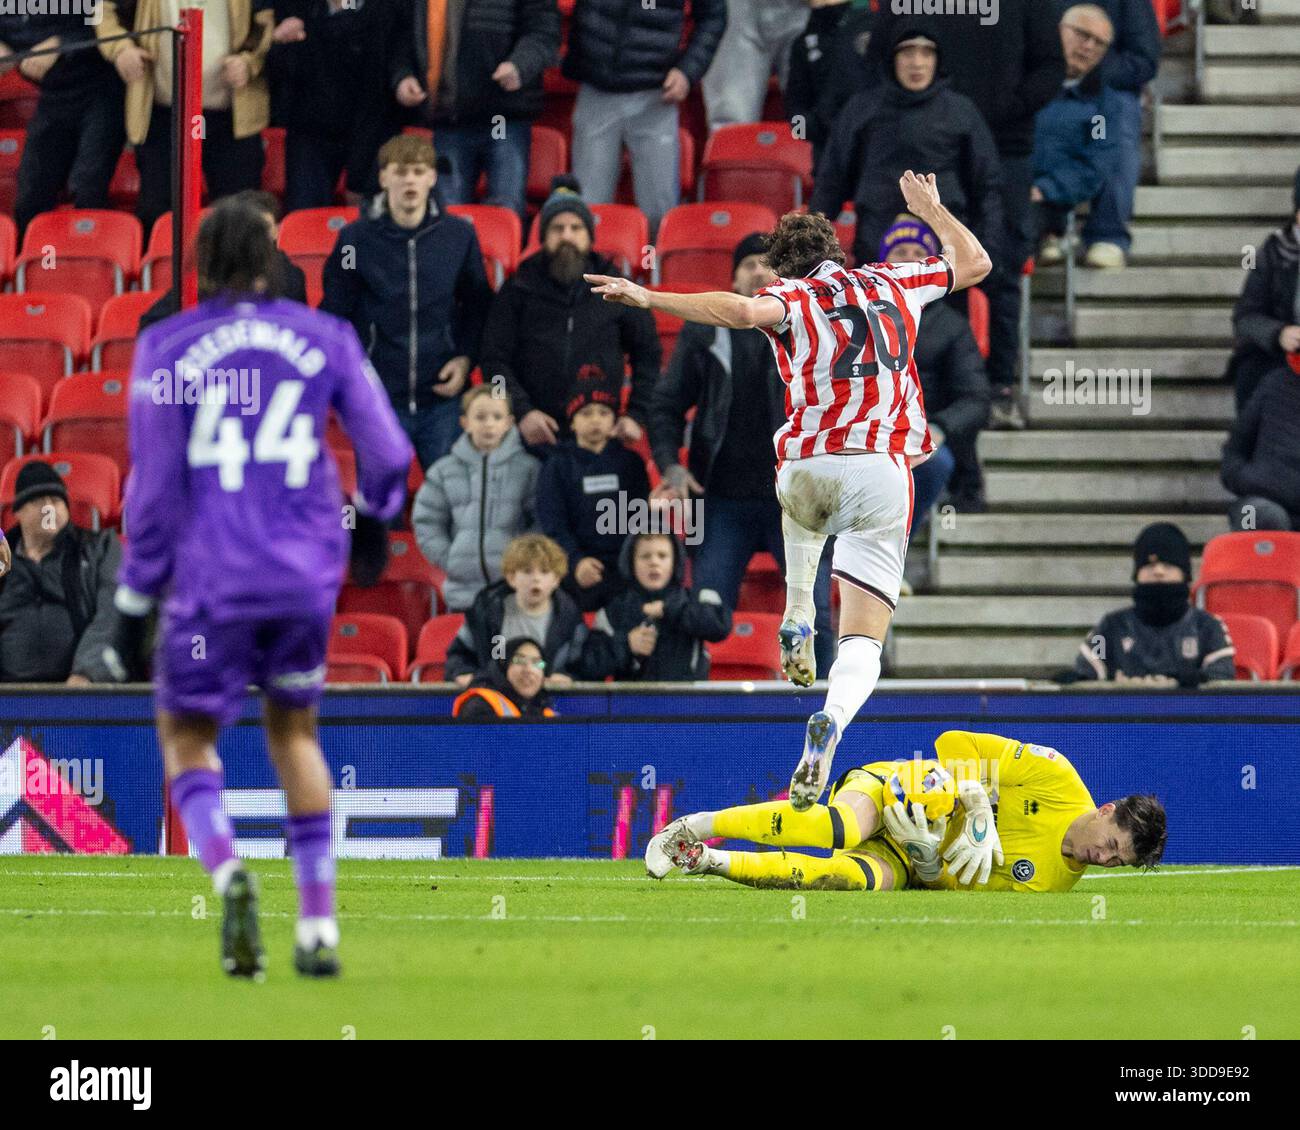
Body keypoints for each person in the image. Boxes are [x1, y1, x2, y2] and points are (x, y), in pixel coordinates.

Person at [588, 170, 993, 809]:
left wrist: (647, 296)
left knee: (800, 497)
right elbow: (975, 263)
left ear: (781, 270)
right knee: (863, 641)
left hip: (806, 462)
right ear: (836, 253)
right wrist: (934, 210)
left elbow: (738, 310)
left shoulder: (791, 300)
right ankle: (832, 712)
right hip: (881, 467)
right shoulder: (894, 281)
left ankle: (798, 608)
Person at [102, 198, 415, 979]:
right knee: (295, 735)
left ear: (201, 264)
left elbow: (154, 488)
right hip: (304, 574)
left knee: (188, 738)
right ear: (274, 259)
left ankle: (228, 873)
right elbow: (388, 450)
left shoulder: (167, 347)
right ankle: (317, 929)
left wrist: (134, 599)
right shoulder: (325, 337)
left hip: (211, 578)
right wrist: (374, 513)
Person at [861, 0, 1064, 430]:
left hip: (1004, 145)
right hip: (921, 128)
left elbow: (1050, 67)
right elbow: (880, 49)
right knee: (900, 283)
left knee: (998, 270)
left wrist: (996, 111)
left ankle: (997, 389)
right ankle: (894, 398)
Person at [646, 729, 1168, 891]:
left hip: (912, 854)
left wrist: (926, 866)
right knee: (841, 825)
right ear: (1106, 811)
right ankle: (692, 826)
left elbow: (955, 892)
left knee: (850, 882)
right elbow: (954, 743)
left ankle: (706, 862)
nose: (1104, 859)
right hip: (901, 793)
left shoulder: (1052, 884)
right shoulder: (1055, 775)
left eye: (1116, 863)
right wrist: (977, 805)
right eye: (1113, 845)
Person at [650, 232, 835, 673]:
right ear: (733, 278)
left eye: (766, 263)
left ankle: (828, 706)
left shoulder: (809, 325)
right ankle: (690, 702)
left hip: (794, 503)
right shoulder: (707, 329)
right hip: (722, 502)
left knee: (817, 615)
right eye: (748, 263)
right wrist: (671, 466)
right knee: (704, 611)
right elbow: (666, 404)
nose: (757, 271)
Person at [320, 133, 493, 470]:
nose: (409, 180)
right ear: (384, 177)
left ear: (431, 177)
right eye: (400, 171)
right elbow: (336, 312)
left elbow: (478, 305)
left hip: (443, 395)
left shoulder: (458, 235)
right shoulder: (355, 240)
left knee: (451, 506)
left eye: (418, 171)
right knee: (380, 512)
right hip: (379, 397)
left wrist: (466, 359)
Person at [479, 177, 660, 453]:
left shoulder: (616, 287)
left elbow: (648, 353)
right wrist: (522, 412)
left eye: (576, 228)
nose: (566, 236)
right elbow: (494, 359)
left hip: (600, 436)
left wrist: (636, 414)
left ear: (589, 237)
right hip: (533, 437)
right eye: (557, 228)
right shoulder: (518, 288)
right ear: (543, 237)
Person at [808, 24, 1002, 271]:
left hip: (948, 250)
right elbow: (832, 179)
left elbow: (987, 185)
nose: (917, 63)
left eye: (926, 53)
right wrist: (812, 243)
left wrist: (989, 247)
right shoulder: (862, 109)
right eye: (907, 52)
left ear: (937, 59)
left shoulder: (961, 111)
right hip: (875, 246)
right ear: (893, 58)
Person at [95, 0, 273, 236]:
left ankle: (235, 273)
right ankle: (160, 272)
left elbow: (265, 24)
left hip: (231, 117)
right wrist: (120, 48)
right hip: (162, 115)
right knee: (158, 216)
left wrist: (248, 62)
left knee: (241, 219)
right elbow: (102, 10)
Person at [563, 0, 727, 234]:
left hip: (656, 96)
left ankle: (658, 271)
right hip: (596, 88)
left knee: (660, 214)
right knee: (588, 213)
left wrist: (687, 71)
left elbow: (714, 16)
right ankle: (592, 270)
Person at [391, 0, 560, 219]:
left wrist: (520, 64)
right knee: (447, 216)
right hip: (449, 118)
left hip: (503, 117)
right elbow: (401, 36)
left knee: (504, 212)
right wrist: (402, 76)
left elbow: (544, 30)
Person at [879, 216, 990, 517]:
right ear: (882, 261)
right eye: (900, 252)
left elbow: (976, 399)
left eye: (919, 254)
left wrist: (938, 427)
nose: (909, 261)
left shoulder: (952, 326)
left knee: (935, 463)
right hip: (868, 436)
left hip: (922, 439)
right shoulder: (860, 315)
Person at [267, 0, 410, 211]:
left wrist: (360, 175)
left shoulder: (387, 10)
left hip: (371, 130)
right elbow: (278, 78)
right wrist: (278, 43)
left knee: (370, 220)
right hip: (311, 135)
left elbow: (397, 66)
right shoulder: (297, 10)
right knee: (303, 219)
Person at [412, 385, 540, 612]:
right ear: (465, 423)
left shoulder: (529, 469)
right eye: (480, 417)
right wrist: (450, 558)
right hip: (461, 596)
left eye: (497, 417)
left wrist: (522, 561)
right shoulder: (443, 471)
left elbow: (542, 521)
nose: (489, 424)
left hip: (514, 593)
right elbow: (426, 521)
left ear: (509, 422)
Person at [0, 10, 125, 237]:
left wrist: (60, 42)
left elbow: (106, 18)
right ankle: (42, 265)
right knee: (30, 196)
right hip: (52, 96)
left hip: (100, 89)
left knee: (88, 187)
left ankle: (94, 264)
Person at [535, 372, 651, 612]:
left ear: (614, 421)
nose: (595, 420)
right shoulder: (556, 467)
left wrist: (632, 565)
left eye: (604, 412)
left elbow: (642, 522)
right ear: (573, 422)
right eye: (586, 413)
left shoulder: (631, 464)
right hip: (575, 572)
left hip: (626, 572)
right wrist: (576, 562)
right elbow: (553, 525)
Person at [0, 462, 122, 685]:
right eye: (37, 501)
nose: (49, 508)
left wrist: (87, 672)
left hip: (81, 691)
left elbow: (111, 614)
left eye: (56, 501)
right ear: (17, 512)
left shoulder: (99, 548)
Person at [1070, 523, 1235, 686]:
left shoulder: (1208, 627)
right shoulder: (1110, 627)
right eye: (1149, 565)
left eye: (1168, 565)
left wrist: (1189, 685)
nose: (1159, 571)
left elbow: (1221, 680)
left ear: (1184, 574)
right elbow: (1084, 676)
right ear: (1137, 573)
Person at [138, 190, 308, 332]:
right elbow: (152, 323)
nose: (256, 240)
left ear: (275, 232)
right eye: (250, 232)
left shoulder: (290, 277)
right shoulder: (206, 275)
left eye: (263, 231)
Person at [444, 533, 598, 686]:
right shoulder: (486, 610)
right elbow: (458, 655)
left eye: (544, 571)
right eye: (527, 571)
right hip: (494, 696)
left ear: (556, 580)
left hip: (549, 700)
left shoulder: (569, 618)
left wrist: (569, 677)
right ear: (511, 578)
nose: (536, 578)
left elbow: (584, 666)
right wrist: (462, 673)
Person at [1032, 5, 1120, 266]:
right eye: (1083, 35)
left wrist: (1044, 189)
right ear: (1060, 31)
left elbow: (1096, 164)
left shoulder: (1101, 110)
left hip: (1049, 203)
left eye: (1099, 43)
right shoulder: (1025, 82)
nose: (1089, 46)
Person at [1076, 0, 1162, 270]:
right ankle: (1045, 228)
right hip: (1052, 88)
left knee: (1116, 118)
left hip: (1106, 91)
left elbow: (1144, 59)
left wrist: (1093, 74)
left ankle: (1107, 235)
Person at [586, 533, 732, 681]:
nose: (654, 562)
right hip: (631, 701)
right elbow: (590, 665)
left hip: (686, 701)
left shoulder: (692, 600)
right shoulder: (616, 609)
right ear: (631, 563)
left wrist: (670, 610)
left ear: (675, 562)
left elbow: (720, 625)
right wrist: (627, 645)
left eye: (662, 556)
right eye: (645, 556)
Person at [1225, 169, 1300, 411]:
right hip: (1280, 359)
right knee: (1255, 374)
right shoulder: (1274, 251)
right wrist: (1279, 334)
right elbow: (1245, 317)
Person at [701, 0, 807, 132]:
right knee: (732, 118)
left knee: (808, 115)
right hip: (737, 8)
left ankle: (809, 147)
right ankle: (734, 152)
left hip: (804, 8)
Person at [1222, 368, 1300, 533]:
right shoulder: (1274, 384)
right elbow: (1232, 456)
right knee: (1260, 515)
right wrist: (1257, 480)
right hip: (1256, 506)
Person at [452, 636, 556, 719]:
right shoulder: (479, 706)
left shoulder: (544, 711)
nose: (529, 670)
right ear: (503, 667)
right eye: (519, 661)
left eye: (537, 663)